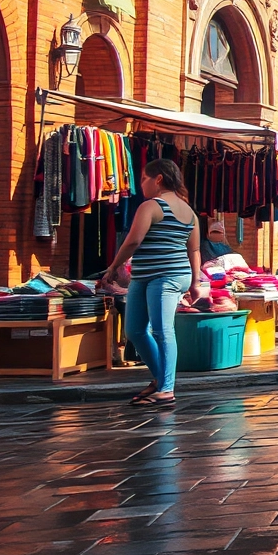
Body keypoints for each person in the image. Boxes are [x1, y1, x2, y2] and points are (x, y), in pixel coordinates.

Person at [105, 158, 200, 407]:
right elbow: (194, 251)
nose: (141, 185)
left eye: (144, 179)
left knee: (162, 330)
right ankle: (161, 380)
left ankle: (167, 389)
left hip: (166, 276)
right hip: (146, 276)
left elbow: (133, 241)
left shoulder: (151, 206)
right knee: (134, 330)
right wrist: (194, 282)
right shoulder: (190, 212)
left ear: (158, 179)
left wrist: (113, 267)